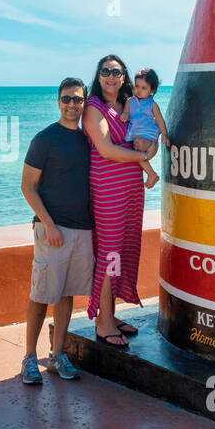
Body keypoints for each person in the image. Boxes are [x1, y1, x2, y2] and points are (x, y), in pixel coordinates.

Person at [19, 78, 95, 384]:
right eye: (67, 99)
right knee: (41, 295)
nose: (72, 105)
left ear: (84, 103)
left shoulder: (87, 140)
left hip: (83, 230)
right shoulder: (44, 139)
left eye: (78, 100)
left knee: (65, 295)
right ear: (58, 101)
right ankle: (28, 357)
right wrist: (48, 224)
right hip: (52, 229)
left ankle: (56, 355)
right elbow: (27, 186)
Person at [81, 55, 151, 348]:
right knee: (109, 252)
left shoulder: (131, 104)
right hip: (107, 189)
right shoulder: (93, 109)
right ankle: (103, 322)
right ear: (98, 76)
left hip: (132, 188)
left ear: (124, 77)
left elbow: (148, 133)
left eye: (117, 72)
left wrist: (151, 147)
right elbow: (107, 150)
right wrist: (142, 158)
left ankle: (111, 313)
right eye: (106, 71)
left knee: (124, 248)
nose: (111, 76)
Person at [117, 67, 169, 188]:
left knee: (138, 153)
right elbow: (126, 112)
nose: (139, 90)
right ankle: (151, 174)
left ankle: (151, 174)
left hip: (148, 134)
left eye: (144, 88)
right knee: (136, 154)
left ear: (152, 90)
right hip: (135, 133)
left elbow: (159, 119)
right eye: (137, 86)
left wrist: (165, 135)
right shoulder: (130, 101)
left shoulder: (152, 104)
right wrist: (124, 115)